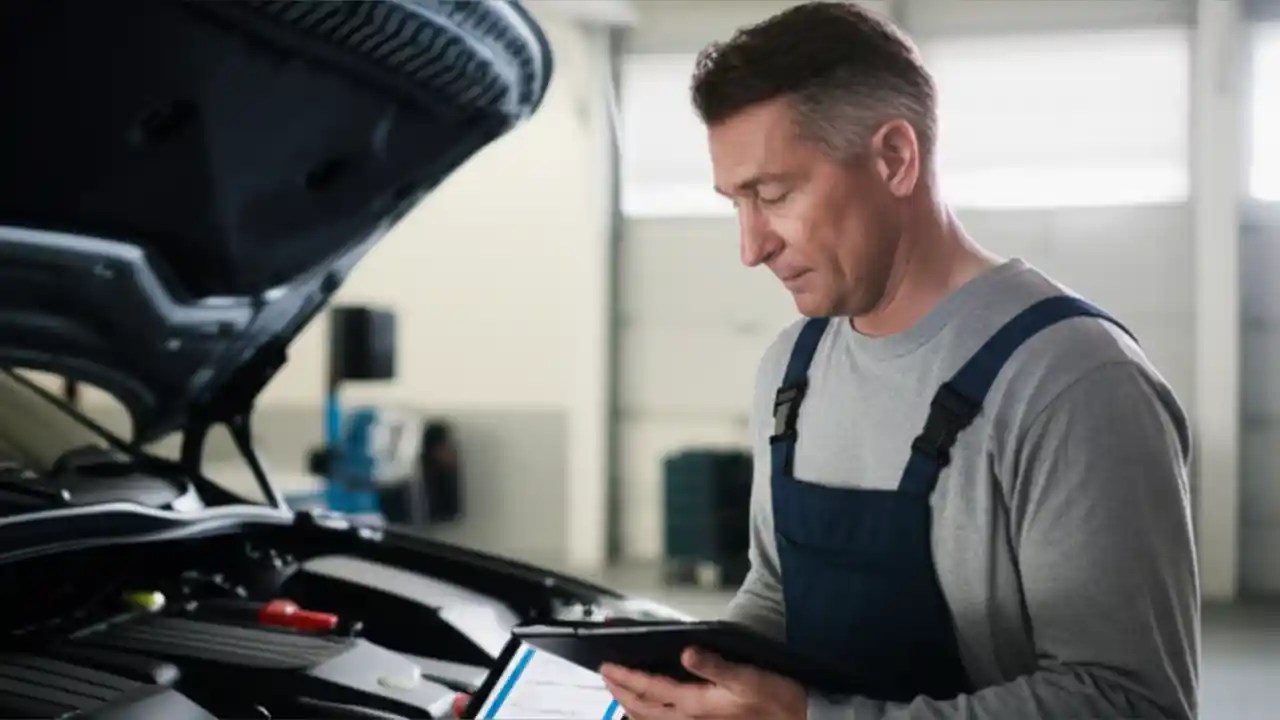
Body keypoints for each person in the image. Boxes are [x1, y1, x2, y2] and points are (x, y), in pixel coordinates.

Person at [599, 2, 1199, 719]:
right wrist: (675, 691)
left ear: (894, 157)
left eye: (775, 194)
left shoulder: (1073, 384)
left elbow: (1128, 702)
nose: (751, 246)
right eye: (737, 202)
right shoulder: (793, 367)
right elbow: (776, 590)